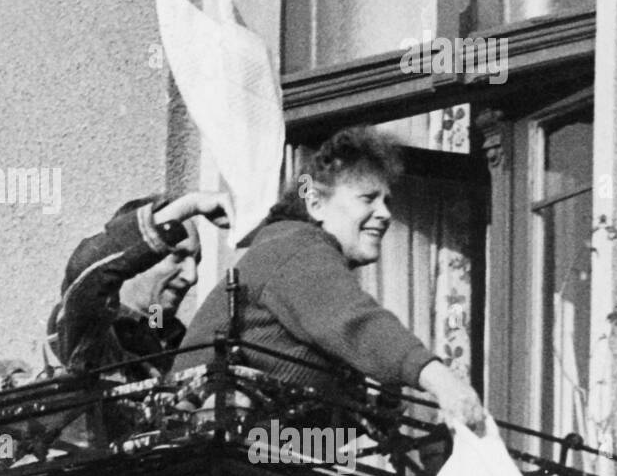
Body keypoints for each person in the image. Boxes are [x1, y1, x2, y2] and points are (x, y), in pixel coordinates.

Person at [176, 126, 487, 434]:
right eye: (368, 198)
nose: (385, 214)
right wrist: (442, 381)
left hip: (243, 453)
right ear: (315, 203)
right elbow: (356, 322)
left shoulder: (294, 253)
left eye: (387, 202)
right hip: (203, 454)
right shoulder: (295, 247)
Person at [47, 191, 231, 381]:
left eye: (196, 260)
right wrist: (191, 205)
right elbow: (87, 269)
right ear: (139, 257)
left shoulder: (160, 325)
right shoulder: (91, 330)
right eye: (178, 256)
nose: (192, 277)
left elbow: (154, 319)